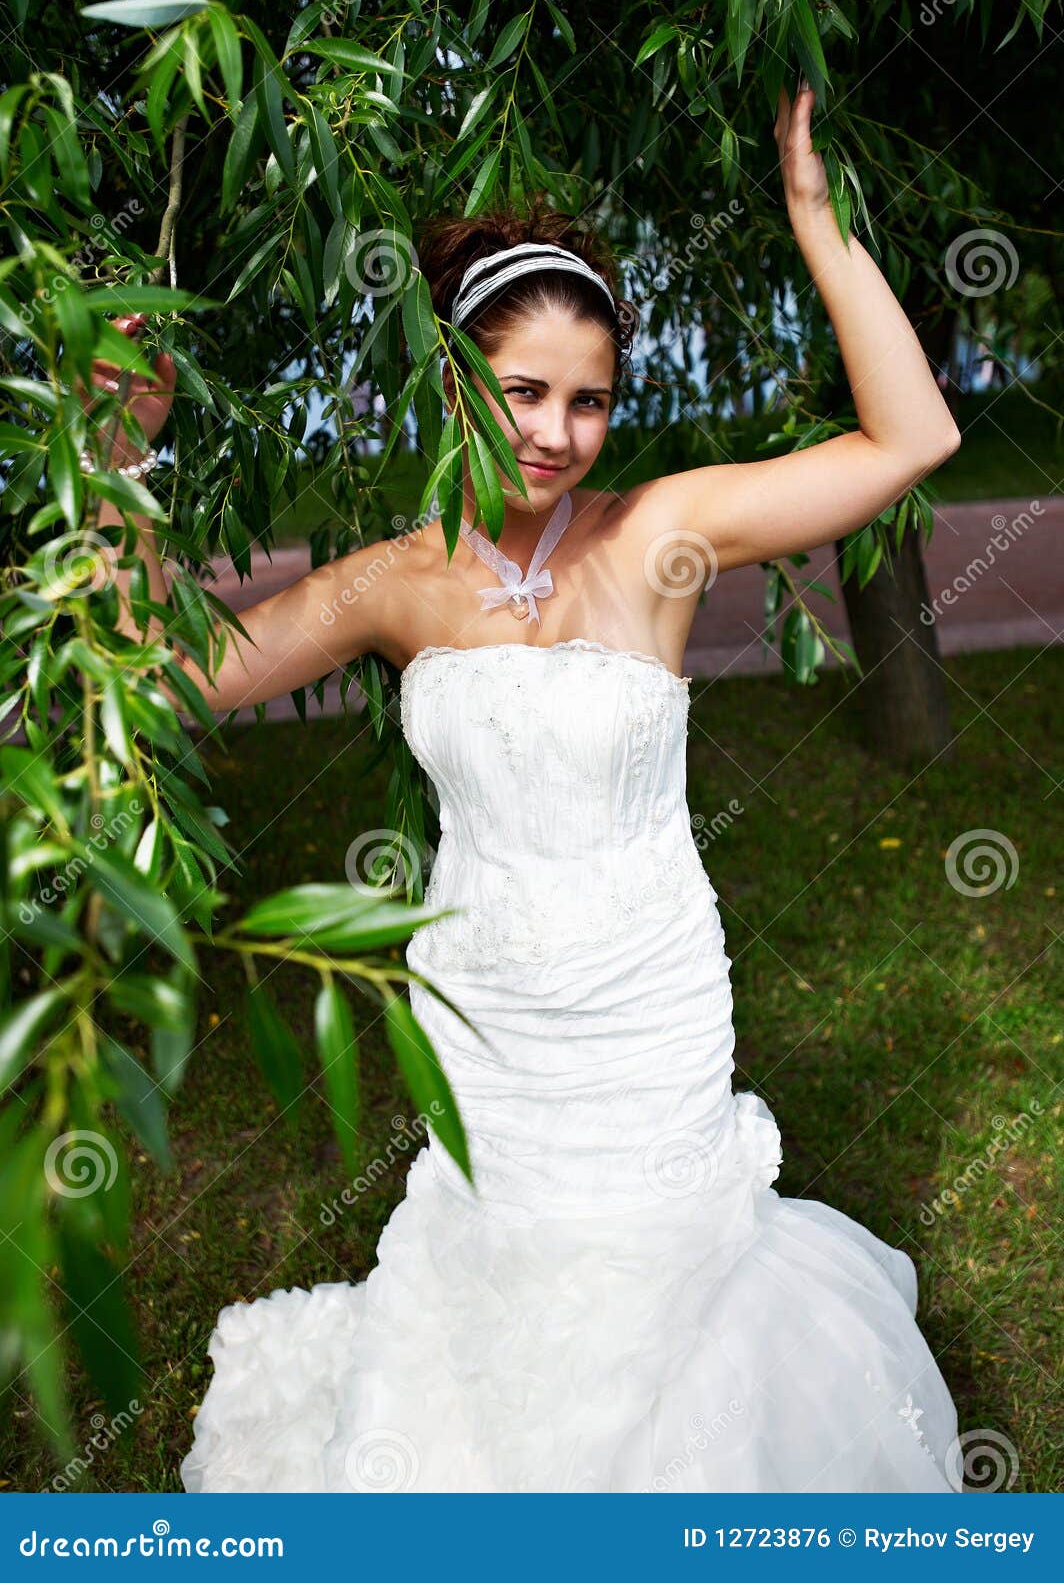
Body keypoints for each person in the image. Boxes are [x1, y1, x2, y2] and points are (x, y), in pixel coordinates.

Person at [88, 84, 964, 1491]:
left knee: (663, 1291)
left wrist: (817, 225)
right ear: (453, 382)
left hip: (647, 1012)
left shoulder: (661, 536)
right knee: (504, 1296)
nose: (558, 431)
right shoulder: (393, 582)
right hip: (487, 1020)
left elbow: (910, 443)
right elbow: (160, 671)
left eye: (591, 399)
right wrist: (120, 444)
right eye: (524, 390)